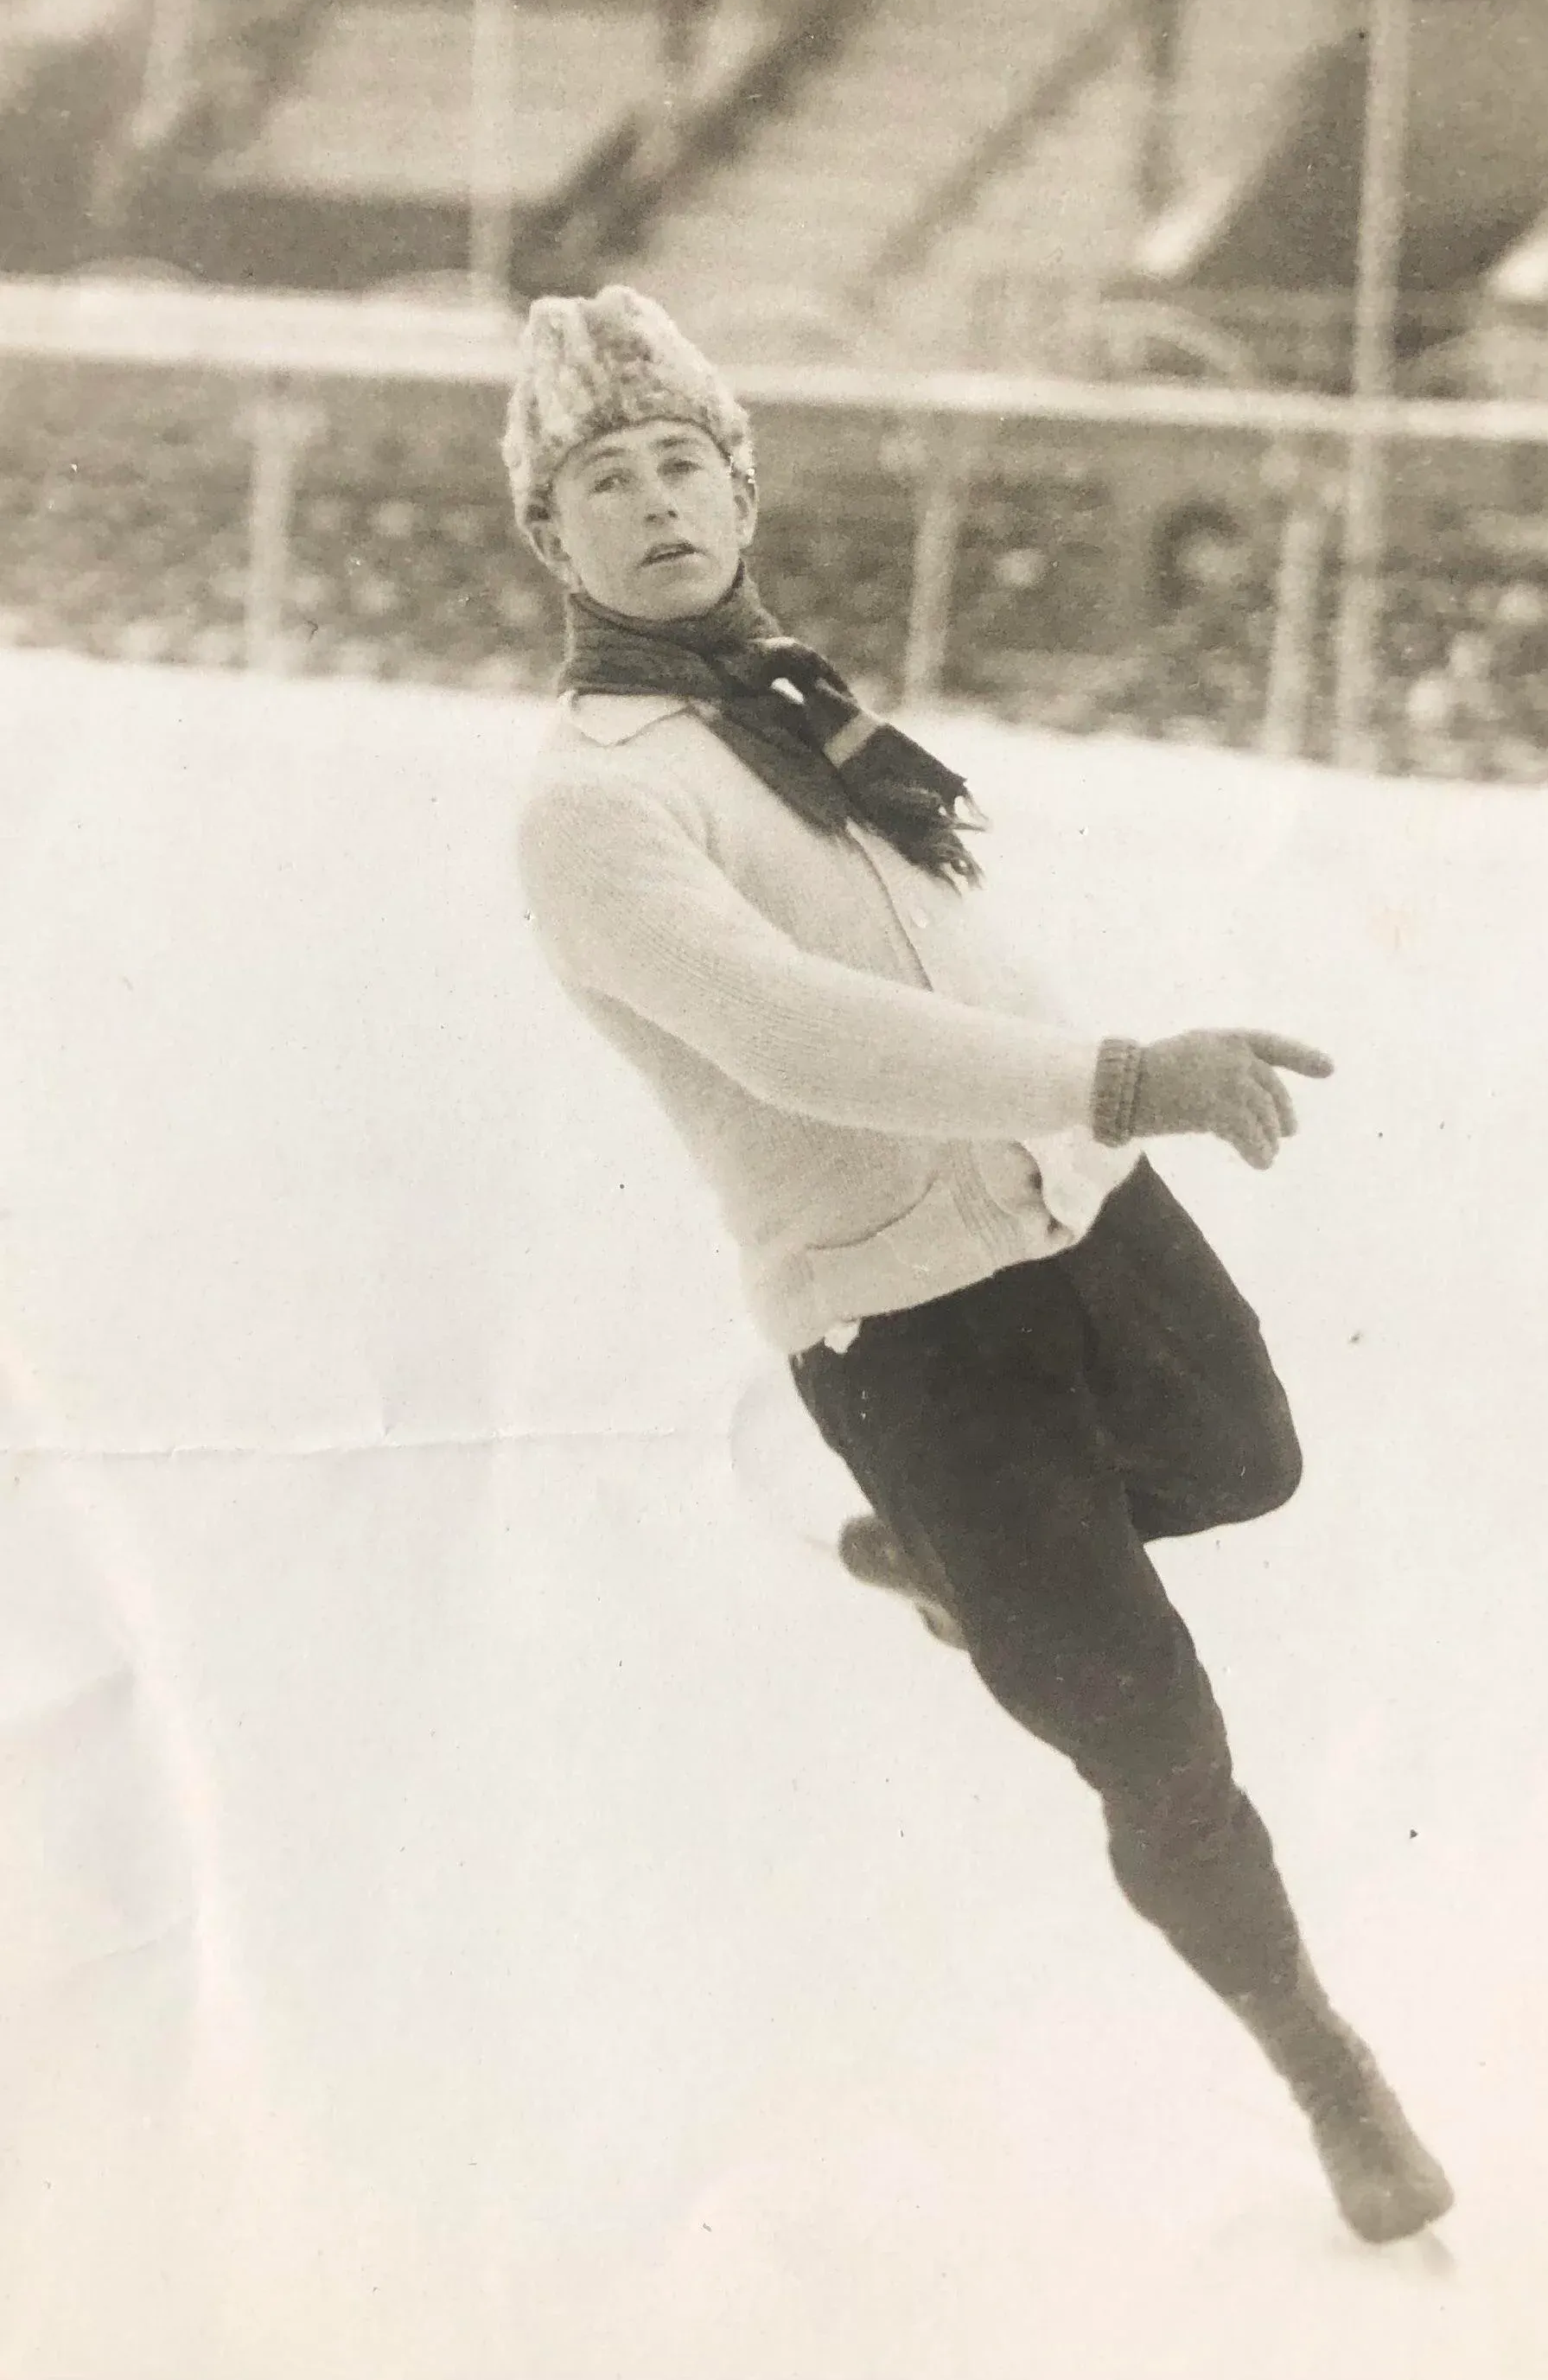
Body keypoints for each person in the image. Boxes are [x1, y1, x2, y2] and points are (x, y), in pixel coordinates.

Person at [505, 285, 1453, 2247]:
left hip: (1080, 1204)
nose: (656, 497)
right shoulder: (595, 799)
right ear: (551, 538)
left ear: (740, 487)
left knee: (1251, 1459)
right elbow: (787, 1031)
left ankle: (951, 1564)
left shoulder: (795, 704)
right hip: (904, 1312)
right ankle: (1318, 2056)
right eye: (606, 477)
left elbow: (940, 951)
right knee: (1150, 1731)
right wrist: (1128, 1070)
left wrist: (1090, 1119)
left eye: (683, 457)